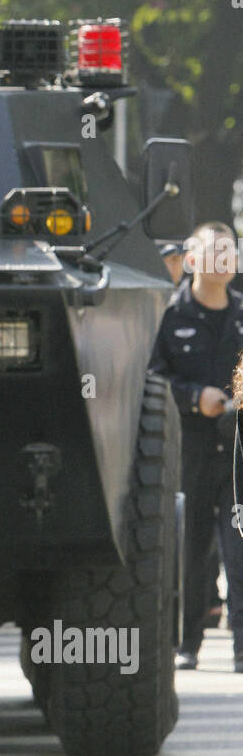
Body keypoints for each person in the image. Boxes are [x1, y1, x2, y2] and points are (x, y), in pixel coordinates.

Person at [149, 221, 243, 671]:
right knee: (191, 549)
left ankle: (242, 647)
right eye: (214, 252)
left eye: (231, 252)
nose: (225, 261)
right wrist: (192, 398)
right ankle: (187, 644)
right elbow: (152, 378)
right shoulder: (171, 316)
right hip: (189, 448)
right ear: (192, 261)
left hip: (237, 452)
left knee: (238, 547)